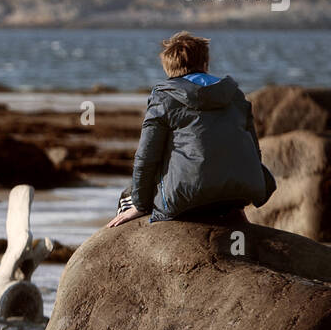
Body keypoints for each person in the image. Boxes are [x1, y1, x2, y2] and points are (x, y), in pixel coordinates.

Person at [106, 32, 275, 229]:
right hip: (240, 195)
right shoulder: (235, 95)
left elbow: (146, 157)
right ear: (205, 63)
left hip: (189, 200)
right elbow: (254, 151)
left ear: (168, 67)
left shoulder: (164, 98)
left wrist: (141, 206)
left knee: (127, 198)